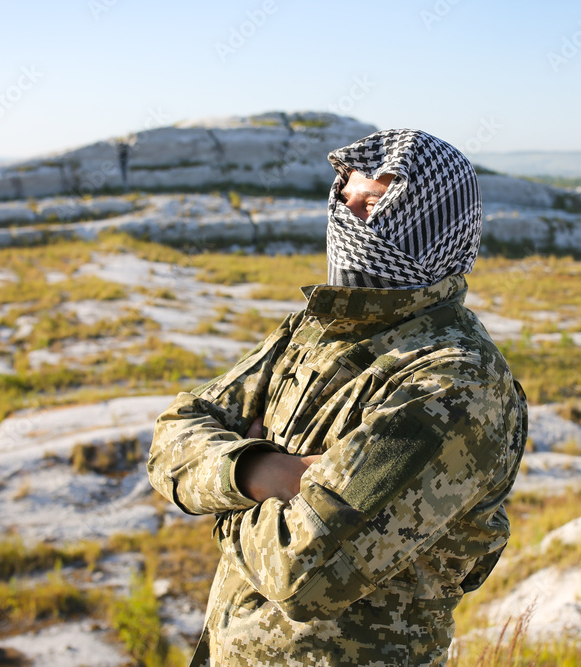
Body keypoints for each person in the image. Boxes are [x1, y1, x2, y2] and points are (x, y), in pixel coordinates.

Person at [147, 128, 527, 666]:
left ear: (432, 224)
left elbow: (302, 573)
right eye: (342, 197)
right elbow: (172, 433)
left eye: (372, 203)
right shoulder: (314, 328)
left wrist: (222, 502)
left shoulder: (452, 384)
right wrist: (259, 473)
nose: (347, 218)